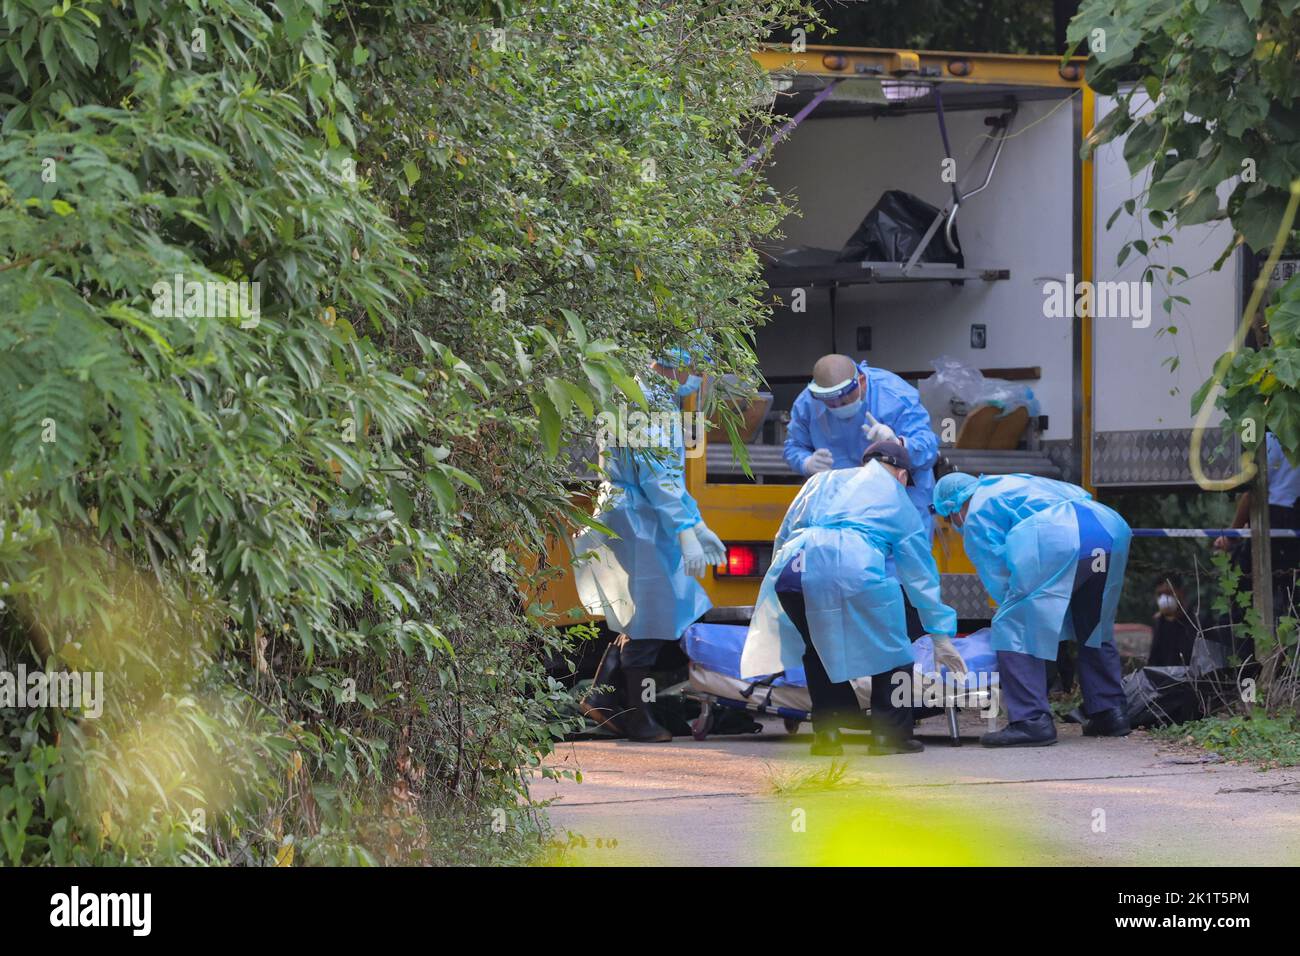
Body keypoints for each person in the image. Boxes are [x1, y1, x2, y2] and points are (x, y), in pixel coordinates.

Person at [743, 441, 964, 756]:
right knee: (894, 649)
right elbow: (918, 574)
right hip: (854, 570)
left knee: (818, 648)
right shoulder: (895, 496)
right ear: (902, 474)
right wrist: (939, 633)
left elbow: (784, 534)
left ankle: (828, 736)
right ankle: (889, 736)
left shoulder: (820, 480)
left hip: (795, 569)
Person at [573, 354, 727, 742]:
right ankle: (636, 716)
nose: (698, 380)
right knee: (653, 614)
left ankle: (601, 696)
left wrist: (696, 524)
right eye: (698, 370)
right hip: (641, 518)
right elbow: (660, 478)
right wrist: (686, 529)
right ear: (680, 365)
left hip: (633, 513)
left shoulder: (635, 392)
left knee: (639, 612)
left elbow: (664, 476)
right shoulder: (652, 405)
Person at [932, 472, 1132, 747]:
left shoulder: (976, 511)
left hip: (1058, 533)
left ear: (954, 508)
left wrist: (1018, 618)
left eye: (948, 517)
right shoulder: (1009, 483)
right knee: (1093, 623)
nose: (953, 524)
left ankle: (1031, 720)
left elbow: (1000, 574)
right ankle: (1110, 712)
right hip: (1108, 527)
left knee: (1013, 623)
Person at [783, 353, 938, 534]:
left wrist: (899, 444)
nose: (837, 407)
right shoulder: (808, 402)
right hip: (840, 505)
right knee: (845, 558)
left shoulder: (894, 395)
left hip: (901, 502)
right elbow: (794, 446)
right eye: (830, 404)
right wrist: (806, 462)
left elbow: (929, 447)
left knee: (902, 558)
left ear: (862, 382)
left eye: (843, 400)